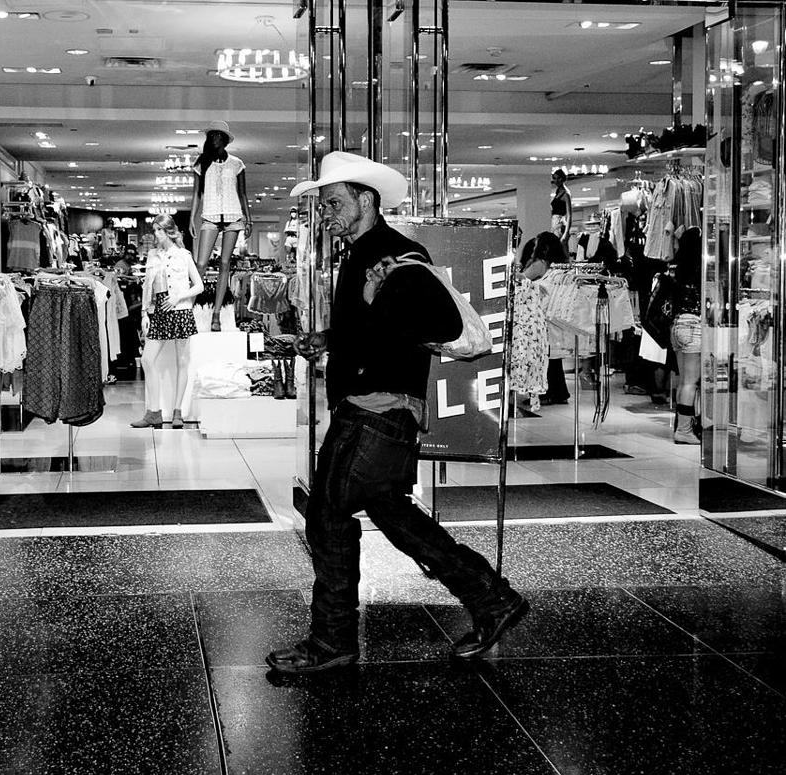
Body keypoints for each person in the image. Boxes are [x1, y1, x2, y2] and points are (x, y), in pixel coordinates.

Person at [265, 151, 528, 675]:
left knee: (328, 516)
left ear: (367, 199)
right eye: (324, 207)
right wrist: (330, 338)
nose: (328, 215)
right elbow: (375, 328)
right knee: (393, 516)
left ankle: (331, 641)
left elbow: (434, 321)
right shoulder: (365, 254)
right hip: (376, 408)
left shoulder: (394, 254)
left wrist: (381, 302)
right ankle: (492, 598)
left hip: (376, 410)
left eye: (335, 204)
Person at [131, 215, 203, 430]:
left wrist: (178, 297)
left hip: (179, 309)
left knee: (182, 362)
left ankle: (178, 411)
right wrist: (145, 313)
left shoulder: (183, 255)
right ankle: (153, 412)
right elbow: (147, 286)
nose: (156, 234)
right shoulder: (153, 255)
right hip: (159, 309)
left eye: (160, 230)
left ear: (169, 231)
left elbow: (198, 285)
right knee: (147, 359)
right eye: (155, 230)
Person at [190, 120, 253, 331]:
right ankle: (189, 309)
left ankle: (216, 314)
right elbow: (196, 195)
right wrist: (192, 218)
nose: (215, 138)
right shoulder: (201, 163)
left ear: (225, 139)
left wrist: (248, 219)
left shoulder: (237, 163)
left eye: (218, 135)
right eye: (212, 135)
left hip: (234, 216)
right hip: (209, 216)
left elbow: (243, 194)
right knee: (200, 264)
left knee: (225, 264)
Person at [511, 232, 566, 409]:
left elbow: (523, 278)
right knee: (553, 357)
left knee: (541, 355)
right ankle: (559, 392)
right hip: (555, 312)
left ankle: (548, 392)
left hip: (538, 313)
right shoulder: (561, 266)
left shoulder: (540, 264)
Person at [670, 227, 702, 444]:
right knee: (691, 382)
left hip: (677, 325)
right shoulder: (700, 268)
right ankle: (684, 430)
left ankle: (682, 427)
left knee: (684, 381)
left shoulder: (677, 267)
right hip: (693, 325)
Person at [550, 168, 572, 253]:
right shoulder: (558, 192)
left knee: (560, 250)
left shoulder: (566, 193)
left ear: (562, 178)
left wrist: (566, 233)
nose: (556, 180)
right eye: (554, 178)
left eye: (558, 178)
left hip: (560, 223)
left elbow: (569, 215)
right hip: (555, 223)